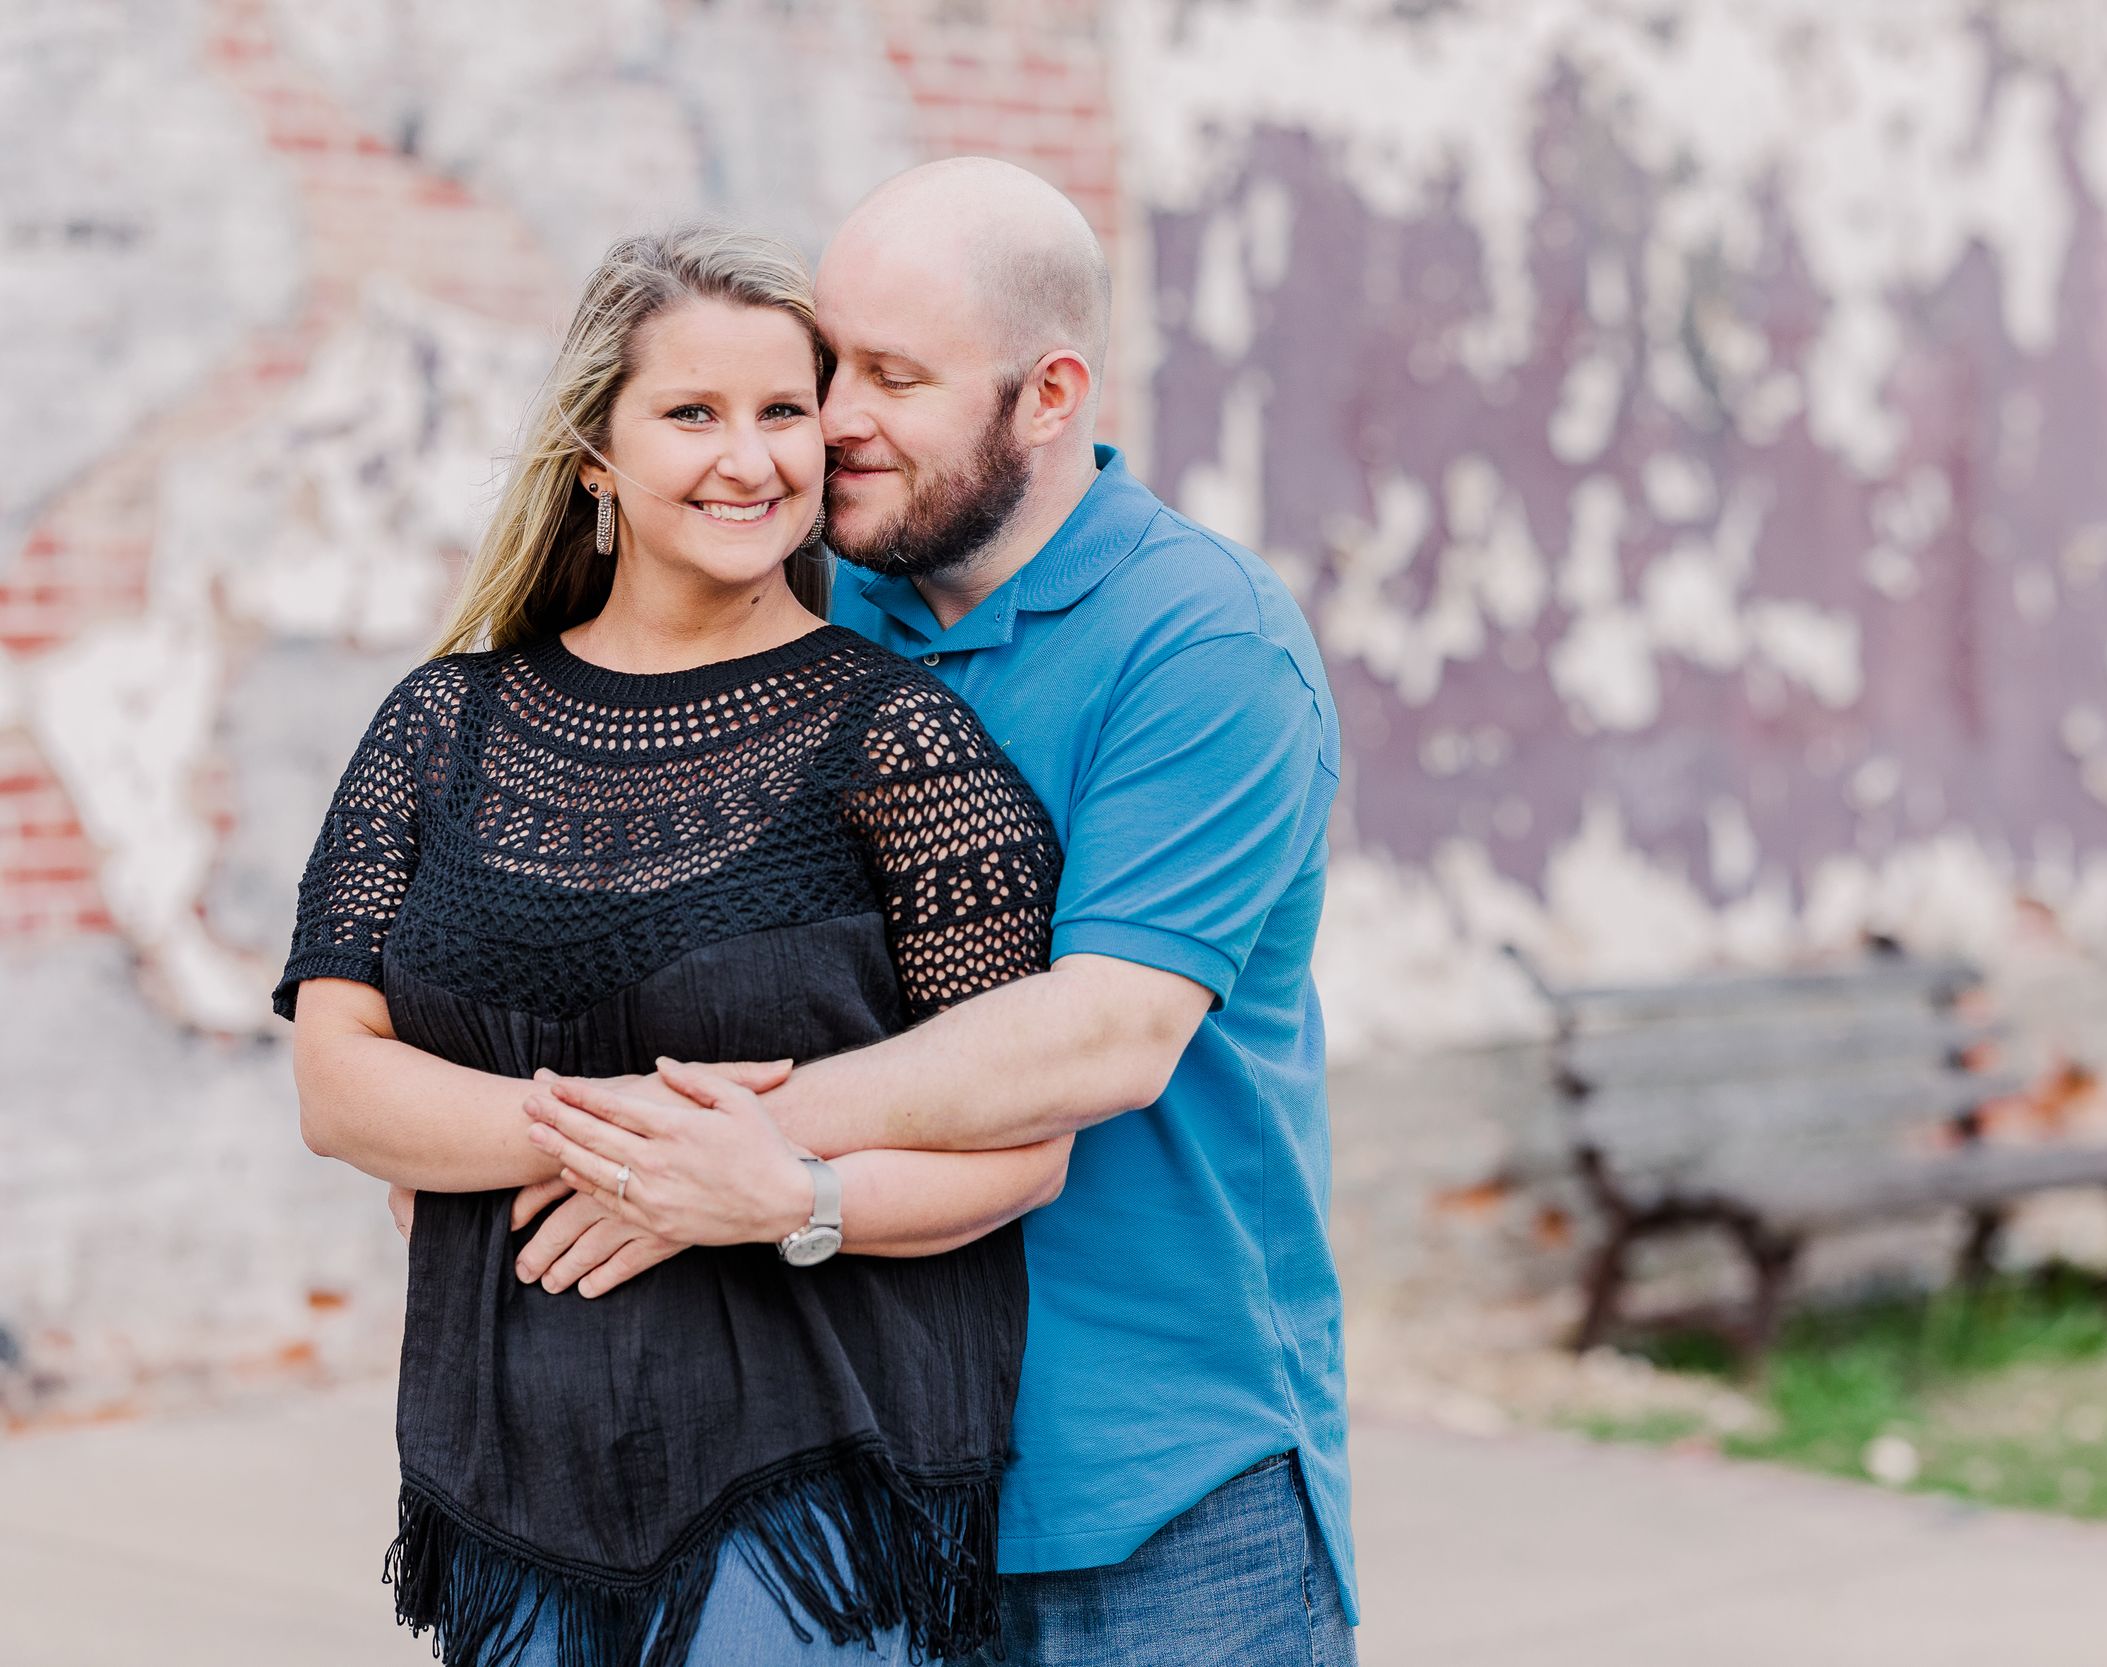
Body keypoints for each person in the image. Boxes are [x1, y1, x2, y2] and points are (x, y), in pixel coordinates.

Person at [530, 159, 1358, 1665]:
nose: (832, 417)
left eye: (893, 377)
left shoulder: (1208, 647)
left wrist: (729, 1147)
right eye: (828, 361)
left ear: (1049, 396)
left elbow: (1104, 1036)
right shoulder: (813, 611)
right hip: (849, 1465)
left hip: (1161, 1490)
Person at [281, 223, 1070, 1666]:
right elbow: (339, 1085)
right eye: (693, 412)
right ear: (595, 454)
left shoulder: (899, 744)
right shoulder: (438, 728)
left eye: (784, 413)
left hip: (807, 1494)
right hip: (509, 1481)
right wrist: (626, 1135)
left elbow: (1021, 1146)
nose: (750, 458)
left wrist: (767, 1191)